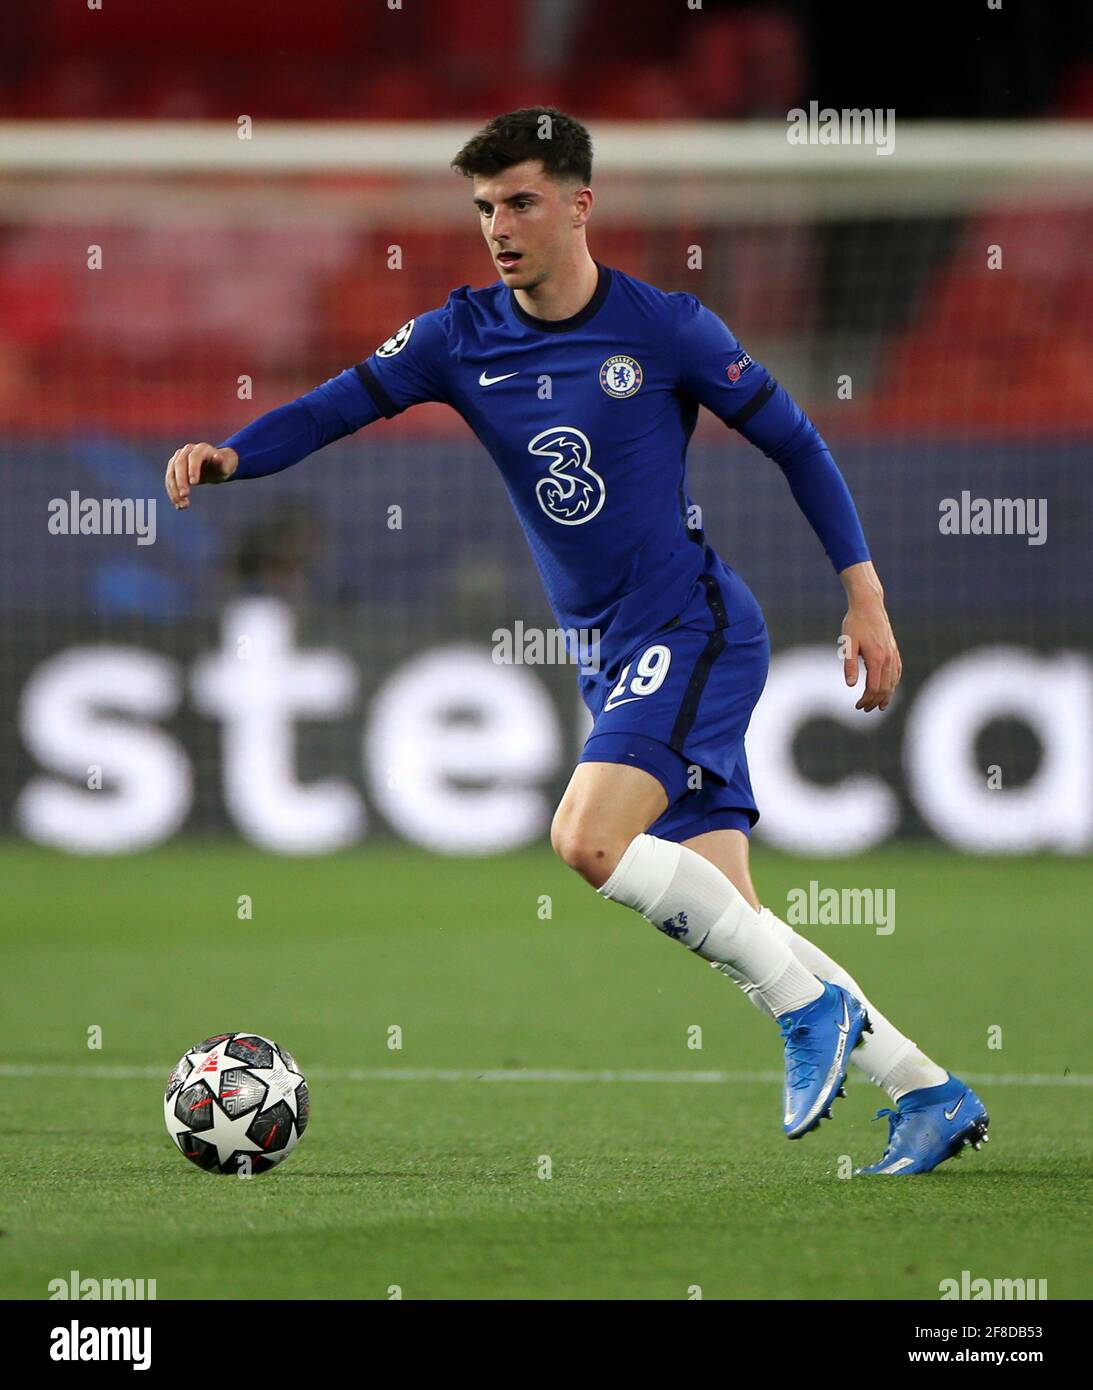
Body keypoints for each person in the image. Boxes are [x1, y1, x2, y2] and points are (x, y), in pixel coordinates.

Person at [164, 107, 988, 1173]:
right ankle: (927, 1091)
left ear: (579, 205)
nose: (498, 227)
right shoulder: (457, 336)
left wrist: (862, 595)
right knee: (736, 920)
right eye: (483, 208)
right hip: (609, 652)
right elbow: (329, 411)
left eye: (520, 202)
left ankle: (811, 1017)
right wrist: (233, 455)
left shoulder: (665, 327)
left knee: (586, 841)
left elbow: (795, 443)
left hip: (690, 627)